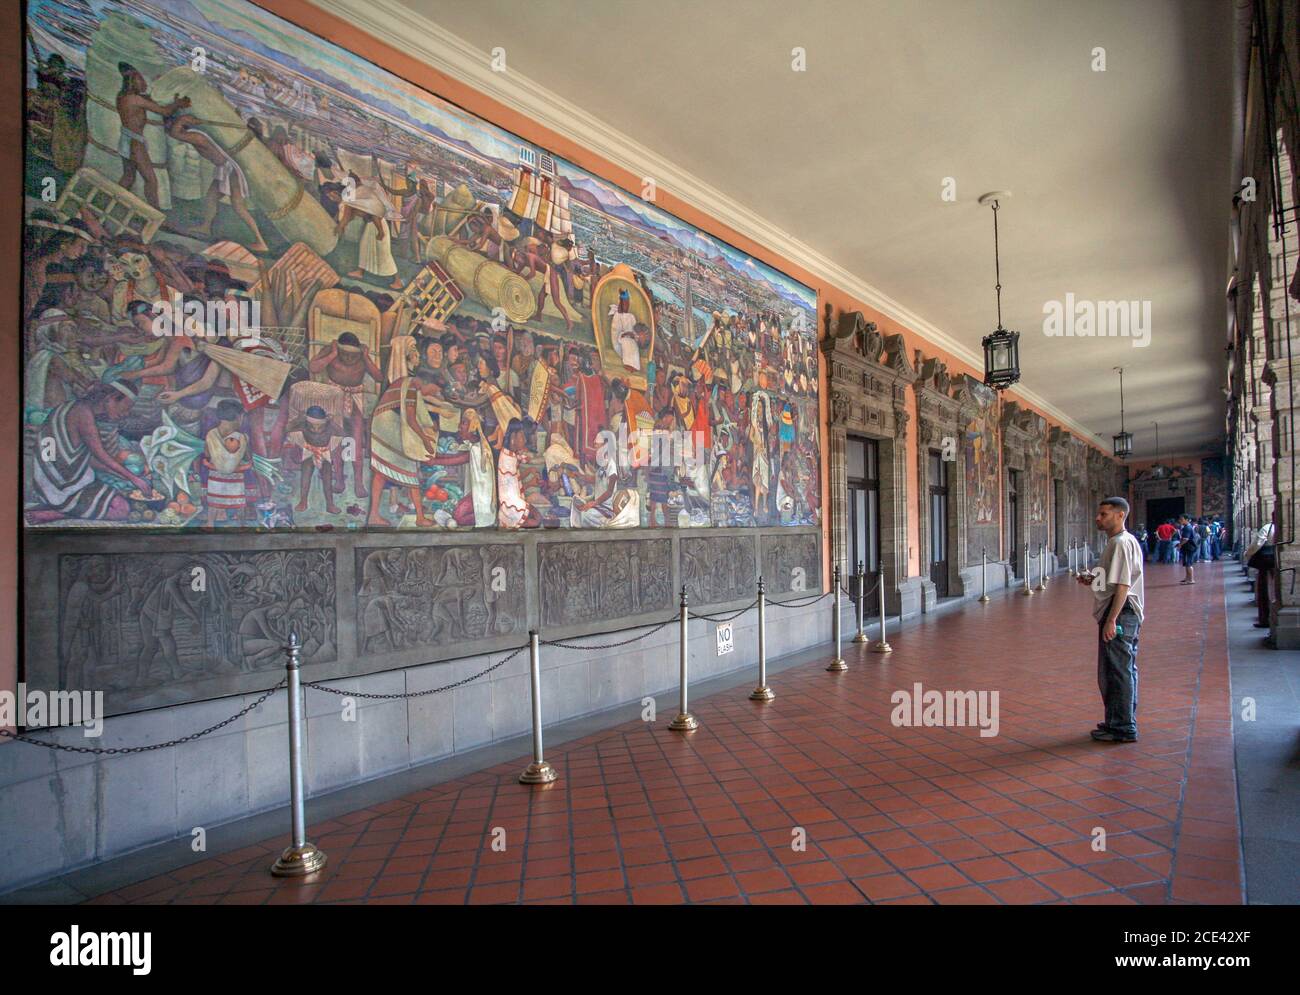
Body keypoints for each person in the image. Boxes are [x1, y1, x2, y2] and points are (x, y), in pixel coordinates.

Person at [1077, 496, 1145, 743]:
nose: (1098, 518)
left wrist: (1111, 619)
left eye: (1104, 514)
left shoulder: (1121, 543)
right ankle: (1118, 719)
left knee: (1118, 670)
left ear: (1120, 515)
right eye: (1099, 513)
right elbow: (1113, 579)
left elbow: (1124, 585)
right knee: (1121, 668)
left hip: (1121, 612)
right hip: (1122, 611)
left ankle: (1123, 726)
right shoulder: (1119, 542)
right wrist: (1092, 578)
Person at [1177, 514, 1199, 583]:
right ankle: (1187, 578)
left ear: (1186, 520)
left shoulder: (1187, 528)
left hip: (1189, 547)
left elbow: (1186, 539)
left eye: (1182, 519)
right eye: (1180, 519)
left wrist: (1179, 545)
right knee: (1187, 563)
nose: (1180, 521)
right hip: (1187, 547)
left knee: (1189, 563)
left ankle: (1191, 579)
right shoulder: (1185, 527)